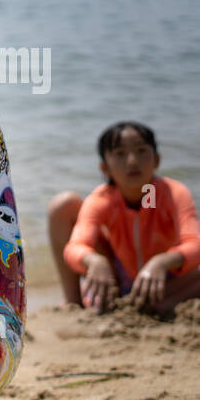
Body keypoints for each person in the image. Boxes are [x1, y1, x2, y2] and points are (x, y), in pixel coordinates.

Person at [47, 122, 200, 315]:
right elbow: (75, 247)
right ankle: (73, 303)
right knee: (63, 204)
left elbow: (194, 244)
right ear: (105, 168)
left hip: (168, 278)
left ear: (157, 160)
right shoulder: (103, 199)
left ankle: (155, 304)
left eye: (142, 150)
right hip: (117, 279)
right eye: (120, 153)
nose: (132, 161)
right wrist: (94, 260)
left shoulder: (172, 193)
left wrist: (161, 262)